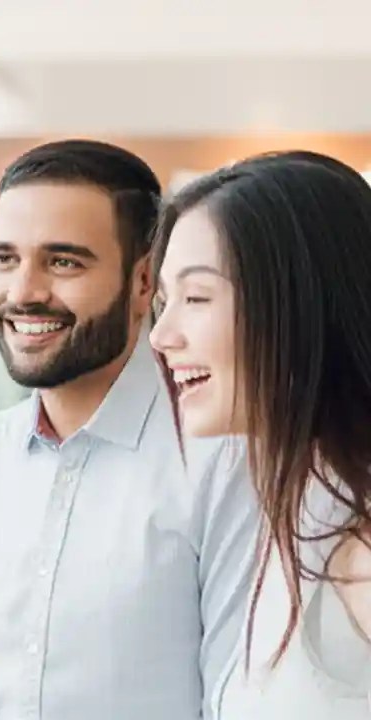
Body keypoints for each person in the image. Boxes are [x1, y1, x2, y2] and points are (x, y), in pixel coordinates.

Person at [0, 139, 259, 720]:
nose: (23, 292)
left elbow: (243, 701)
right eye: (4, 259)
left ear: (144, 282)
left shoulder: (220, 454)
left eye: (63, 261)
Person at [150, 150, 371, 718]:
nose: (162, 335)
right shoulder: (292, 505)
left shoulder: (358, 540)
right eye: (162, 302)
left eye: (196, 298)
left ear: (300, 304)